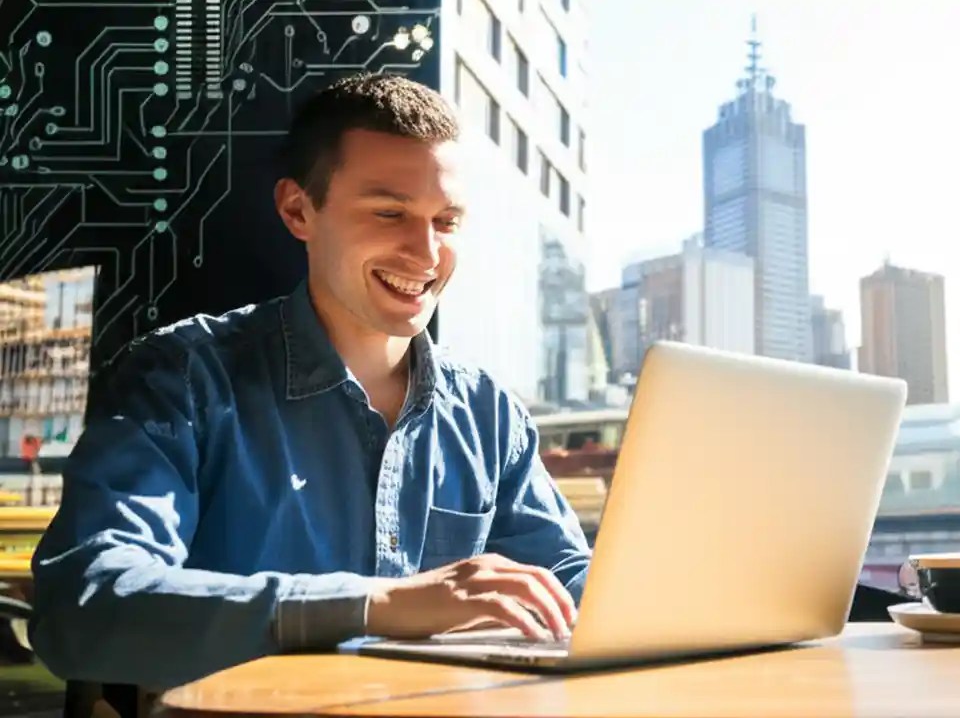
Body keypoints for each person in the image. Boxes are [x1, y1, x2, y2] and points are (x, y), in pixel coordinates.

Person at [30, 73, 591, 690]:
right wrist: (377, 607)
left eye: (447, 221)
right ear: (299, 209)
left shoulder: (489, 415)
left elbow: (573, 588)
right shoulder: (184, 379)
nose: (427, 254)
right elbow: (85, 606)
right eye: (390, 212)